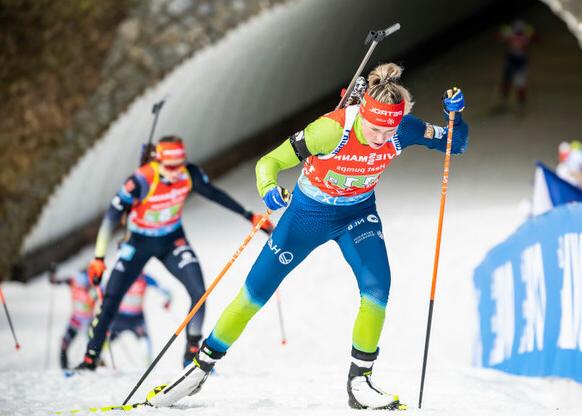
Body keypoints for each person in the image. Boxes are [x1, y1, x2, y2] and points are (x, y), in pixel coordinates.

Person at [147, 63, 468, 410]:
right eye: (374, 129)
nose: (380, 139)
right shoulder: (329, 131)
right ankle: (199, 369)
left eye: (387, 133)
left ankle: (359, 382)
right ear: (361, 114)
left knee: (378, 288)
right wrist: (268, 188)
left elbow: (457, 144)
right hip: (306, 216)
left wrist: (457, 117)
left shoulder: (403, 128)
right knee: (255, 292)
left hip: (357, 215)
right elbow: (268, 163)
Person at [75, 136, 274, 371]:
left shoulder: (189, 174)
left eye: (179, 166)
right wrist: (99, 258)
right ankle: (90, 359)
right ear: (158, 161)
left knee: (199, 292)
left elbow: (214, 194)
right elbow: (110, 217)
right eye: (170, 167)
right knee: (111, 298)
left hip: (172, 240)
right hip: (138, 242)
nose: (175, 172)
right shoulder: (141, 179)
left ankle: (190, 356)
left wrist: (248, 215)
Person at [108, 272, 172, 363]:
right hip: (119, 317)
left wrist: (168, 299)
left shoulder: (145, 278)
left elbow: (162, 289)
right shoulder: (122, 275)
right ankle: (99, 359)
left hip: (136, 319)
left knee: (145, 341)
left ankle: (148, 365)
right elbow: (106, 288)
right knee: (106, 337)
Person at [50, 268, 96, 369]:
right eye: (81, 285)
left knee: (94, 346)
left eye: (85, 285)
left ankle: (95, 365)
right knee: (64, 342)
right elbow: (55, 281)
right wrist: (52, 274)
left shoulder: (93, 286)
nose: (83, 287)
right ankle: (64, 369)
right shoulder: (73, 281)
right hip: (76, 320)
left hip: (88, 322)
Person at [498, 19, 535, 108]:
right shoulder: (510, 36)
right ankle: (504, 99)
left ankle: (521, 101)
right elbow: (501, 38)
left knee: (520, 83)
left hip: (521, 63)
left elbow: (535, 39)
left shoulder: (525, 37)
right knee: (507, 81)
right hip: (511, 61)